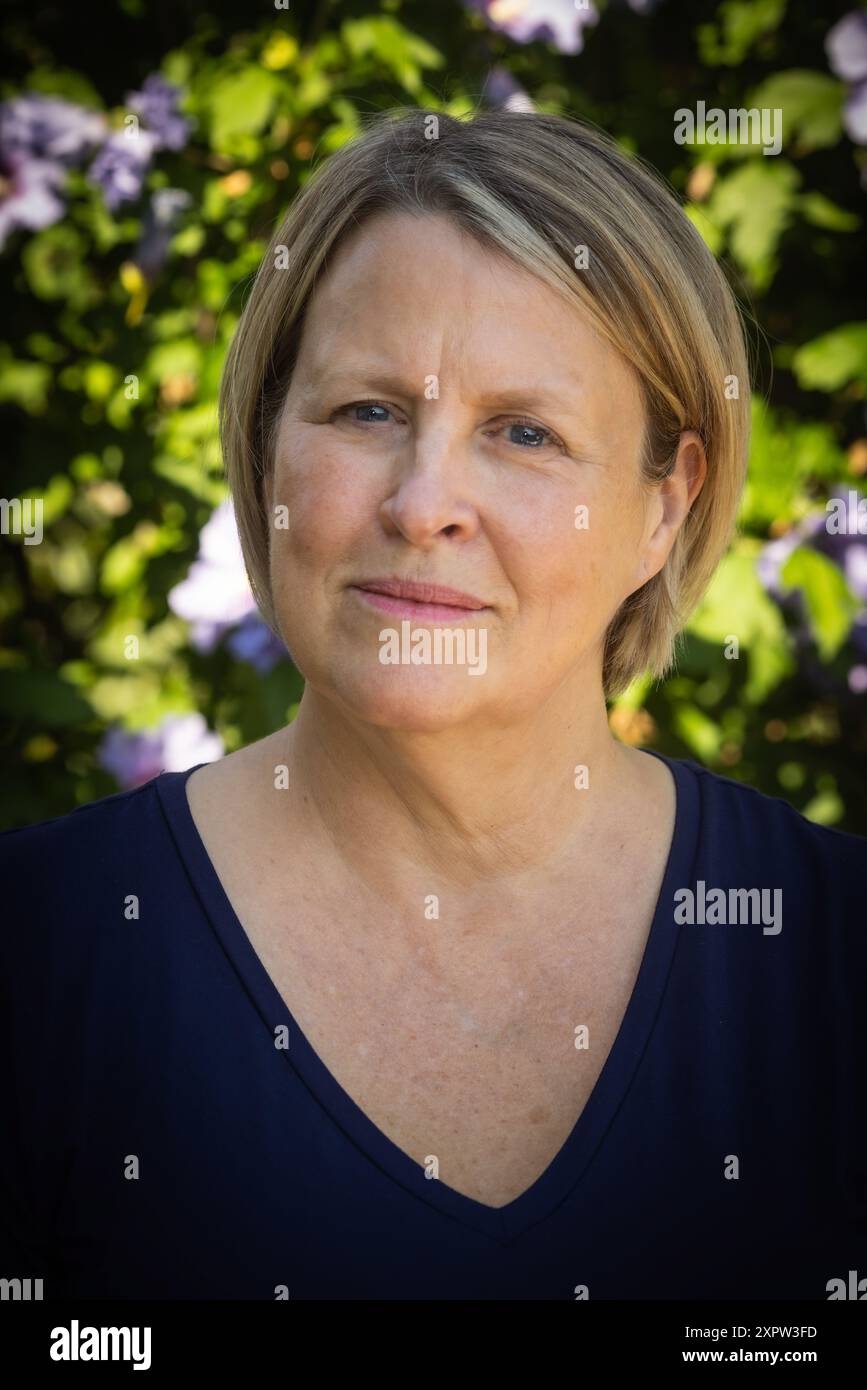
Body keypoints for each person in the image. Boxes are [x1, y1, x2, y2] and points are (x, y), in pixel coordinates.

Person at [1, 108, 864, 1301]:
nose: (424, 503)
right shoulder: (39, 954)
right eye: (369, 412)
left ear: (664, 506)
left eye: (525, 432)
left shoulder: (833, 960)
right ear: (262, 451)